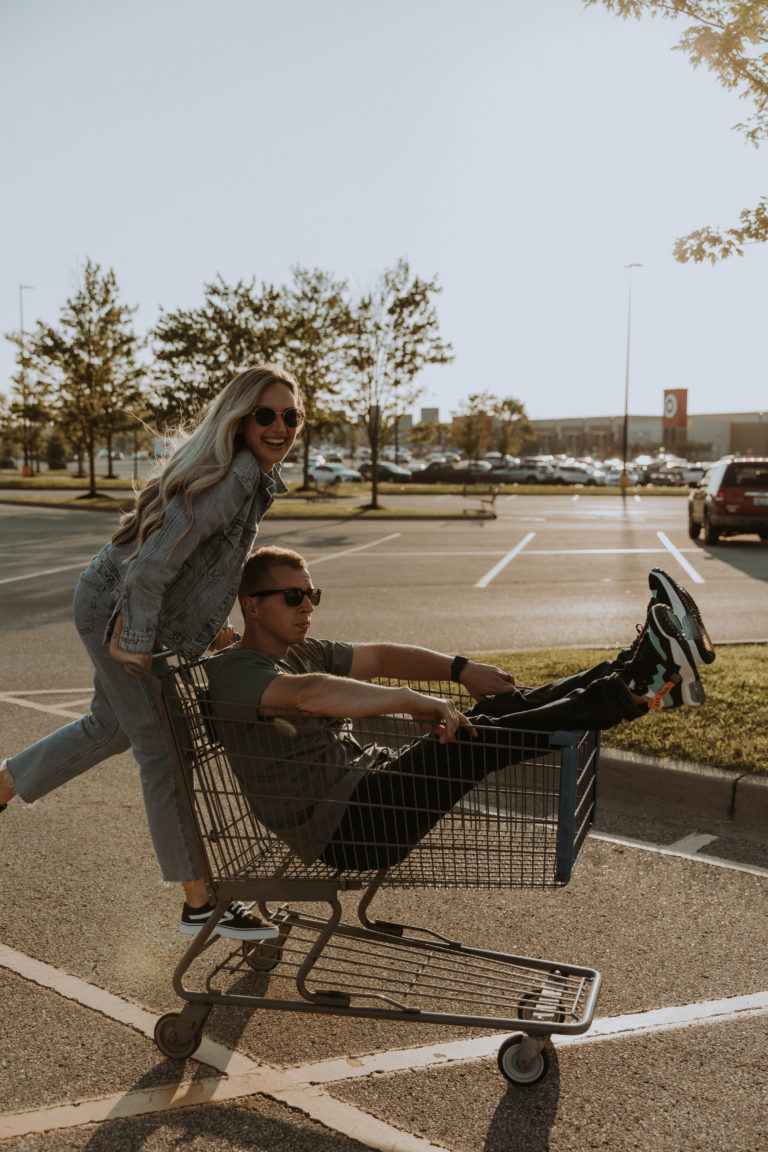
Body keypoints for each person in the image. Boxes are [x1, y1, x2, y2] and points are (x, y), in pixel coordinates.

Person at [0, 364, 308, 941]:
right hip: (117, 607)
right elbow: (153, 563)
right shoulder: (235, 479)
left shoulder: (249, 477)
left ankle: (0, 787)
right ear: (240, 419)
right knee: (162, 752)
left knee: (107, 728)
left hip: (116, 597)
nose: (279, 426)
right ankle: (200, 904)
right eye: (265, 414)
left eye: (290, 416)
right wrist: (135, 641)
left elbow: (200, 562)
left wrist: (209, 625)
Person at [205, 547, 714, 871]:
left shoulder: (303, 648)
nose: (307, 607)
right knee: (471, 742)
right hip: (347, 830)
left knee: (491, 714)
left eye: (312, 594)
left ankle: (638, 669)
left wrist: (461, 669)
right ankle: (636, 685)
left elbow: (381, 655)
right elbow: (306, 694)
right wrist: (410, 701)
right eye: (293, 596)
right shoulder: (236, 671)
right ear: (252, 605)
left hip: (370, 794)